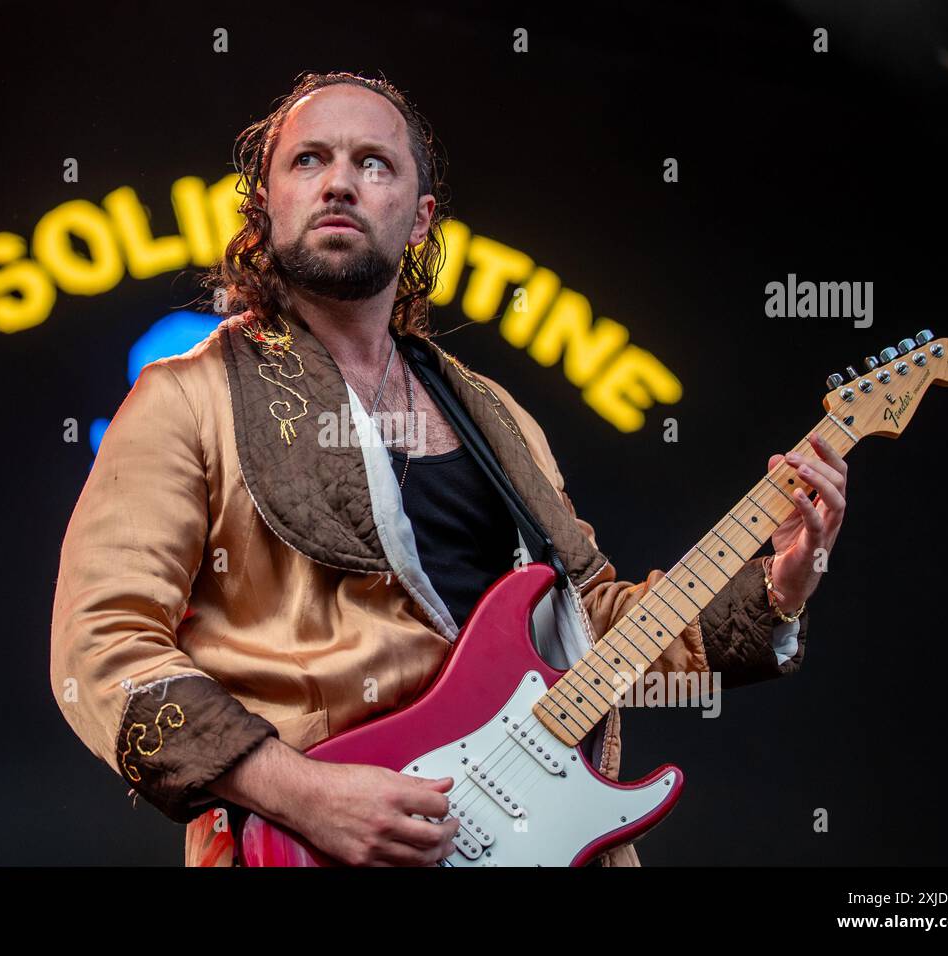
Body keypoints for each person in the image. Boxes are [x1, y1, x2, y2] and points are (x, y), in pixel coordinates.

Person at [49, 71, 847, 867]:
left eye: (373, 163)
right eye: (308, 160)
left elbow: (590, 623)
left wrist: (775, 589)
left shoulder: (493, 414)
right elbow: (103, 646)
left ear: (420, 217)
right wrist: (303, 794)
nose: (337, 182)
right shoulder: (184, 398)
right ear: (264, 206)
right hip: (300, 846)